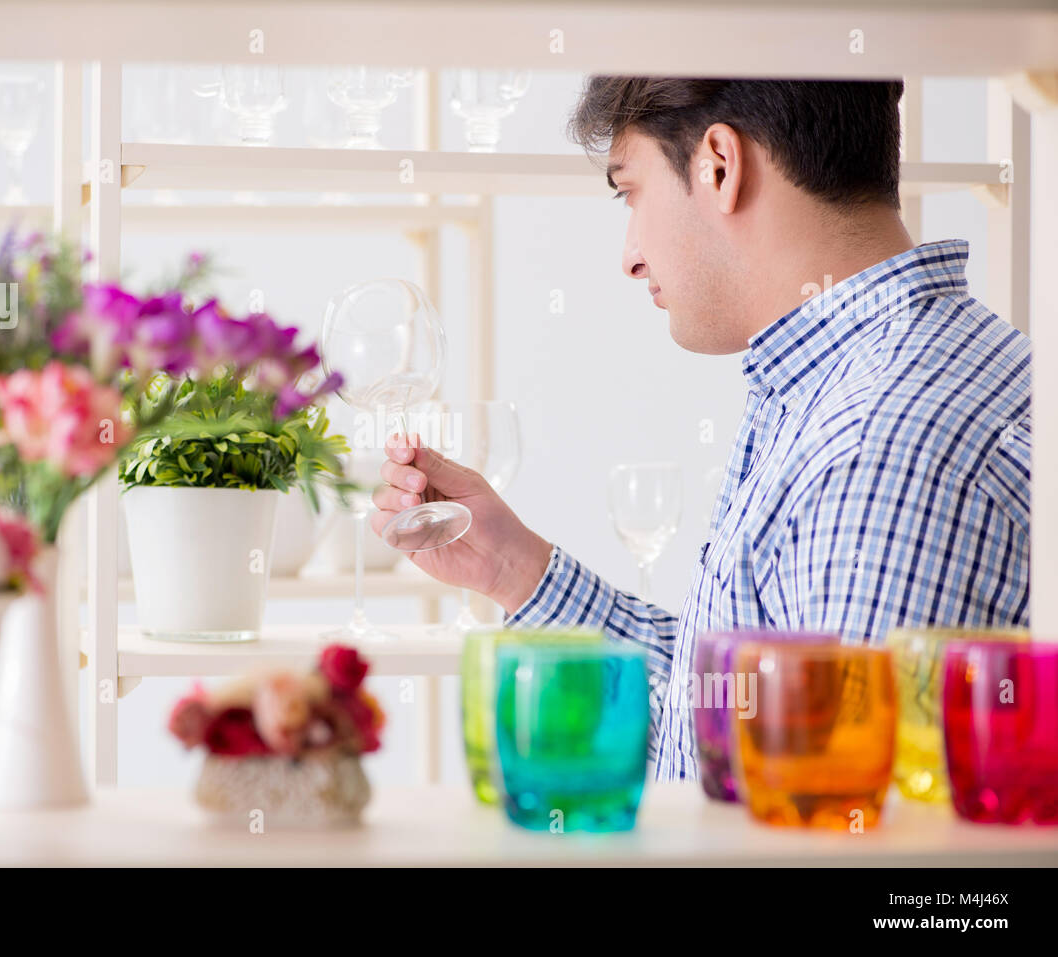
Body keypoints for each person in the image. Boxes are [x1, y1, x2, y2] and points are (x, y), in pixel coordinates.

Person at [368, 78, 1032, 782]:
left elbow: (834, 837)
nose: (629, 256)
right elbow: (728, 734)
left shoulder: (877, 451)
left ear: (720, 164)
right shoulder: (879, 385)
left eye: (632, 193)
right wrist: (515, 571)